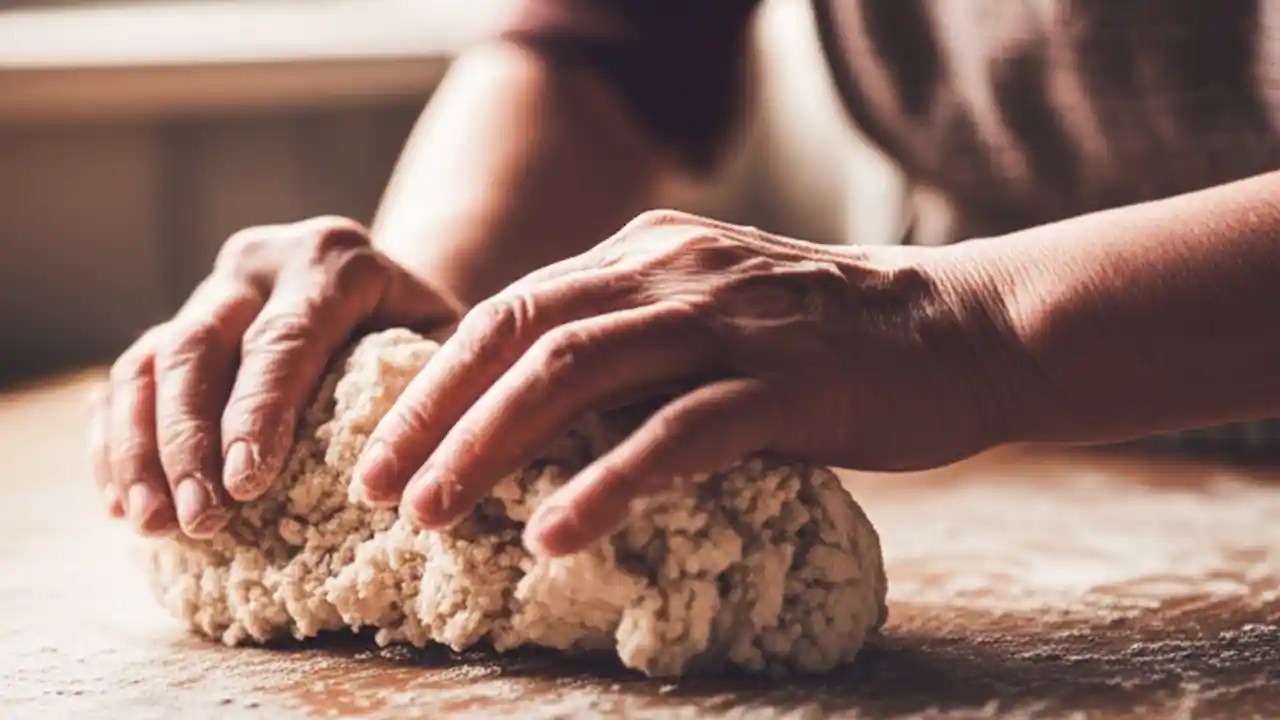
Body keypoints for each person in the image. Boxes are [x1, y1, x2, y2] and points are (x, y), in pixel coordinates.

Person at [89, 2, 1280, 557]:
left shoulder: (956, 340)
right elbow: (610, 49)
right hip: (1017, 477)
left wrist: (966, 330)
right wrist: (424, 323)